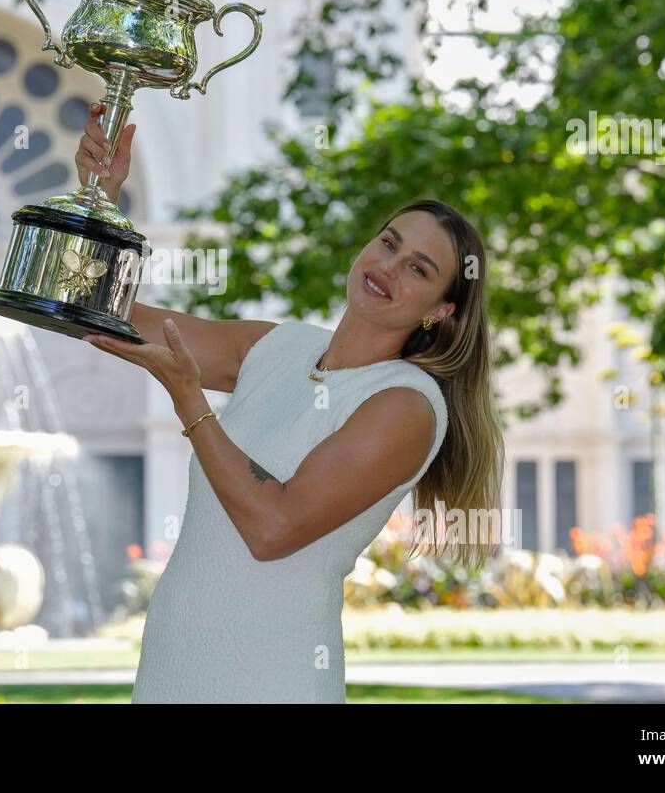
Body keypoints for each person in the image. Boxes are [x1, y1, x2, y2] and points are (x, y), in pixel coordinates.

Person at [75, 103, 506, 703]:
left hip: (270, 682)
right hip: (172, 676)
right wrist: (99, 202)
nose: (388, 267)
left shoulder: (407, 404)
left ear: (439, 311)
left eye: (418, 269)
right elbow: (95, 309)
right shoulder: (281, 347)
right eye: (388, 243)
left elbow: (272, 527)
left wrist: (190, 402)